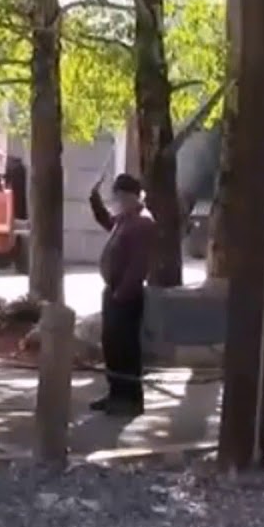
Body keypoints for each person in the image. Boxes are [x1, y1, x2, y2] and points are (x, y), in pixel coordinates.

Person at [88, 173, 156, 417]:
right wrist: (94, 200)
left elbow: (138, 265)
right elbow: (107, 221)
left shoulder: (142, 222)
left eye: (118, 195)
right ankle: (115, 393)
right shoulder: (125, 219)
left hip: (126, 295)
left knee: (126, 348)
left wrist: (121, 293)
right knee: (112, 347)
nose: (115, 200)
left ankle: (130, 399)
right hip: (114, 291)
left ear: (130, 196)